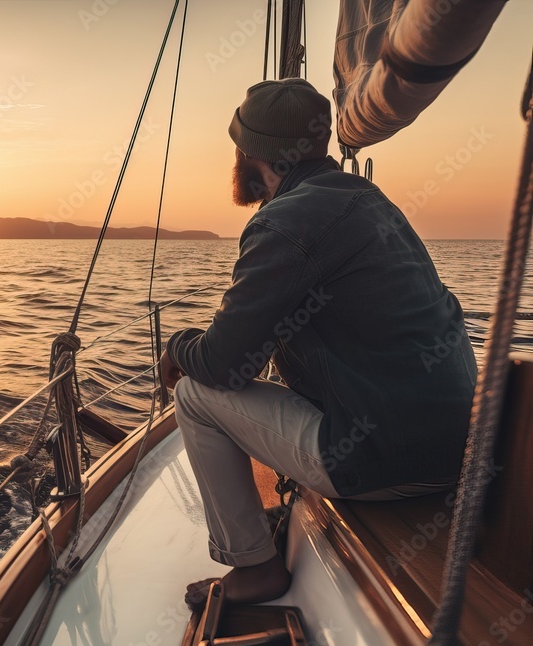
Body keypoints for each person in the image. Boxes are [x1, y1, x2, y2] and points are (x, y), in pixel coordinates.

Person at [159, 78, 478, 610]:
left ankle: (255, 567)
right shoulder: (369, 201)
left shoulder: (283, 221)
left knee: (193, 393)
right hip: (458, 453)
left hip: (383, 463)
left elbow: (223, 364)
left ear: (250, 153)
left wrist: (177, 347)